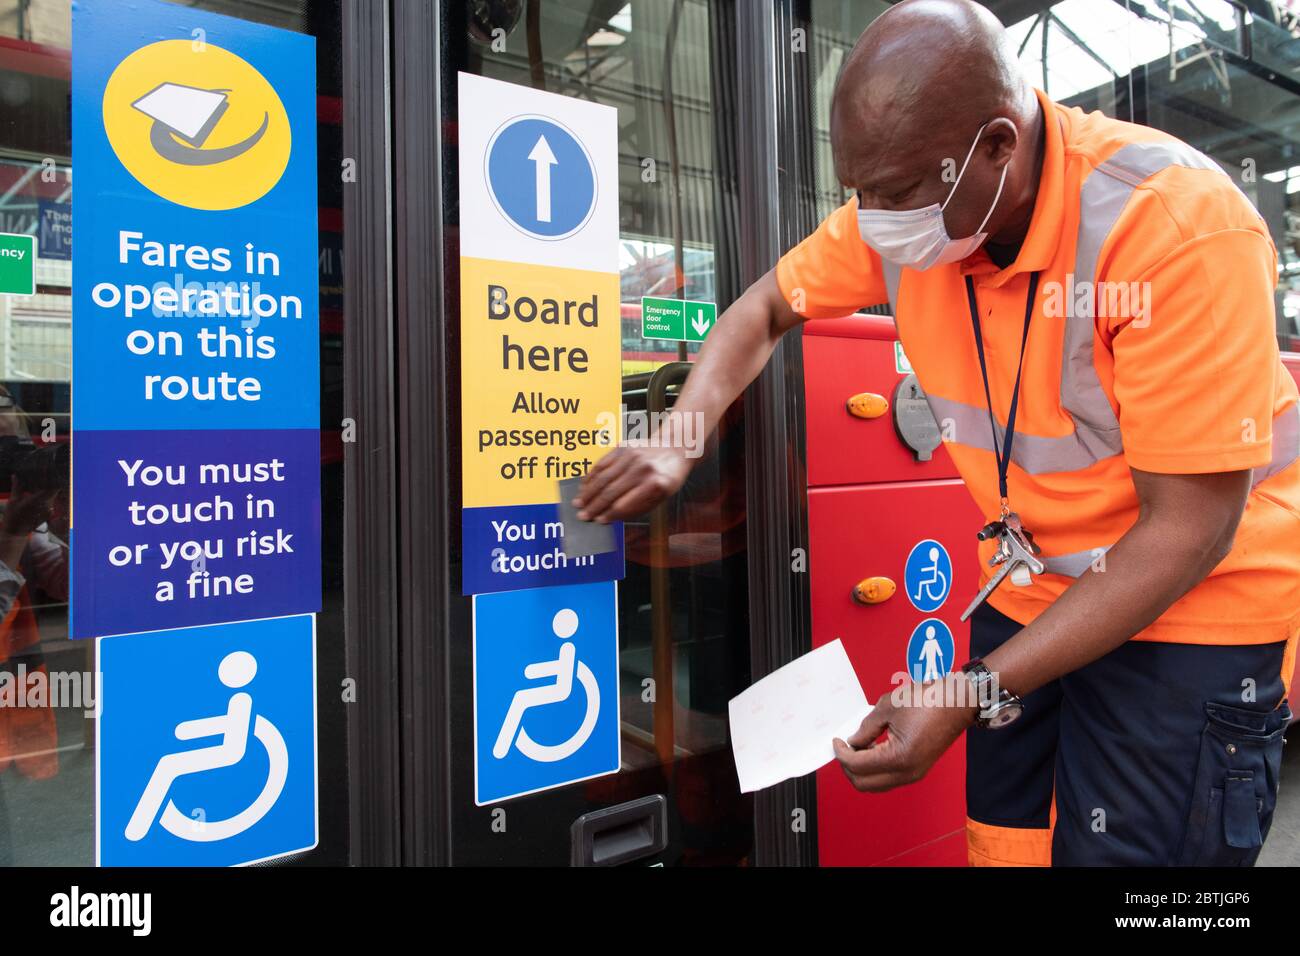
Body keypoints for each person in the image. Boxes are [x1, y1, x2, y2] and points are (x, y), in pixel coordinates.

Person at [576, 0, 1299, 866]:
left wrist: (966, 692)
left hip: (1192, 610)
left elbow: (1189, 528)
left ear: (998, 145)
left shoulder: (1171, 227)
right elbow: (764, 307)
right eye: (859, 190)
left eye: (895, 191)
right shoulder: (909, 220)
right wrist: (680, 432)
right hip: (1034, 589)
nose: (871, 217)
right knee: (1006, 846)